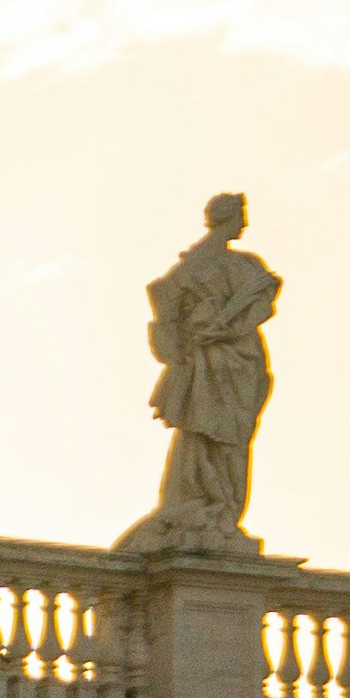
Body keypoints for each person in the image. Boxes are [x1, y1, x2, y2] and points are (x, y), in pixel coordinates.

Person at [120, 192, 282, 553]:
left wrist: (215, 330)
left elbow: (257, 307)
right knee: (213, 435)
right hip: (213, 361)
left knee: (228, 436)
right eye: (241, 215)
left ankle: (219, 509)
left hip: (232, 360)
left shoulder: (232, 267)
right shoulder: (214, 268)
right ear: (226, 218)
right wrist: (187, 347)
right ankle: (210, 506)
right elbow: (167, 317)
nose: (246, 224)